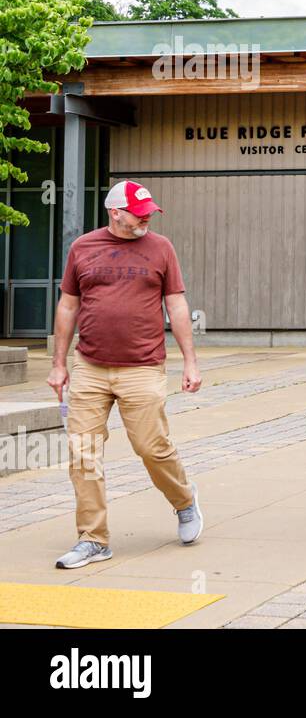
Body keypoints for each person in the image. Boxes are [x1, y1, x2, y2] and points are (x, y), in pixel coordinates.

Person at [48, 180, 203, 569]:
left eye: (149, 212)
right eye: (139, 213)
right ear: (114, 212)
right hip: (90, 367)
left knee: (152, 448)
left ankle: (184, 500)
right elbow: (68, 306)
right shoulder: (83, 247)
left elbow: (176, 305)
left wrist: (190, 361)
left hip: (143, 366)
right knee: (83, 452)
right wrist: (58, 364)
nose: (146, 218)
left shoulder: (161, 248)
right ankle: (93, 539)